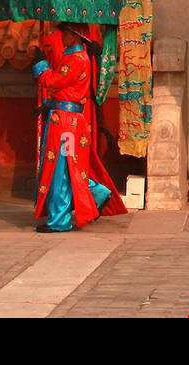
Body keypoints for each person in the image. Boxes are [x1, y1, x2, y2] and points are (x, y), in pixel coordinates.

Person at [33, 24, 128, 233]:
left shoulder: (76, 60)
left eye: (65, 33)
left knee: (61, 170)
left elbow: (53, 82)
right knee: (71, 167)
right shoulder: (75, 57)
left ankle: (59, 220)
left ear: (75, 36)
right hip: (68, 120)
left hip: (65, 124)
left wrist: (41, 65)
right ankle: (97, 193)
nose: (62, 36)